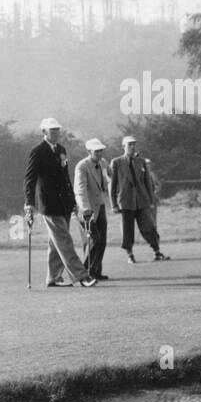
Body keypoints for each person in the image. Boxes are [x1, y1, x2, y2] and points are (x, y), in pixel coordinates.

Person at [24, 119, 97, 288]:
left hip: (63, 203)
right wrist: (29, 203)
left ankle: (53, 278)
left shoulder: (61, 150)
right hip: (49, 205)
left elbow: (65, 179)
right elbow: (30, 179)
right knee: (64, 240)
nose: (56, 132)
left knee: (55, 241)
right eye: (52, 130)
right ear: (44, 132)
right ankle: (81, 276)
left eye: (57, 130)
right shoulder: (37, 151)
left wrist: (72, 202)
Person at [109, 135, 169, 262]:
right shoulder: (117, 162)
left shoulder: (141, 162)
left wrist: (151, 200)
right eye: (129, 144)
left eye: (133, 144)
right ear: (123, 146)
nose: (132, 147)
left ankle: (157, 251)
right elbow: (113, 185)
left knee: (149, 227)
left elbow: (148, 182)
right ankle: (130, 255)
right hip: (125, 202)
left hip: (141, 201)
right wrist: (114, 204)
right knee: (127, 230)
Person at [73, 137, 111, 281]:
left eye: (101, 151)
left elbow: (109, 176)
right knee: (94, 240)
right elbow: (80, 189)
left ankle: (96, 272)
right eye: (96, 151)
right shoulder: (82, 166)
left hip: (100, 206)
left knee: (102, 241)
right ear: (89, 151)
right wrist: (85, 209)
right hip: (87, 209)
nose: (99, 154)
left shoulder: (103, 162)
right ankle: (84, 272)